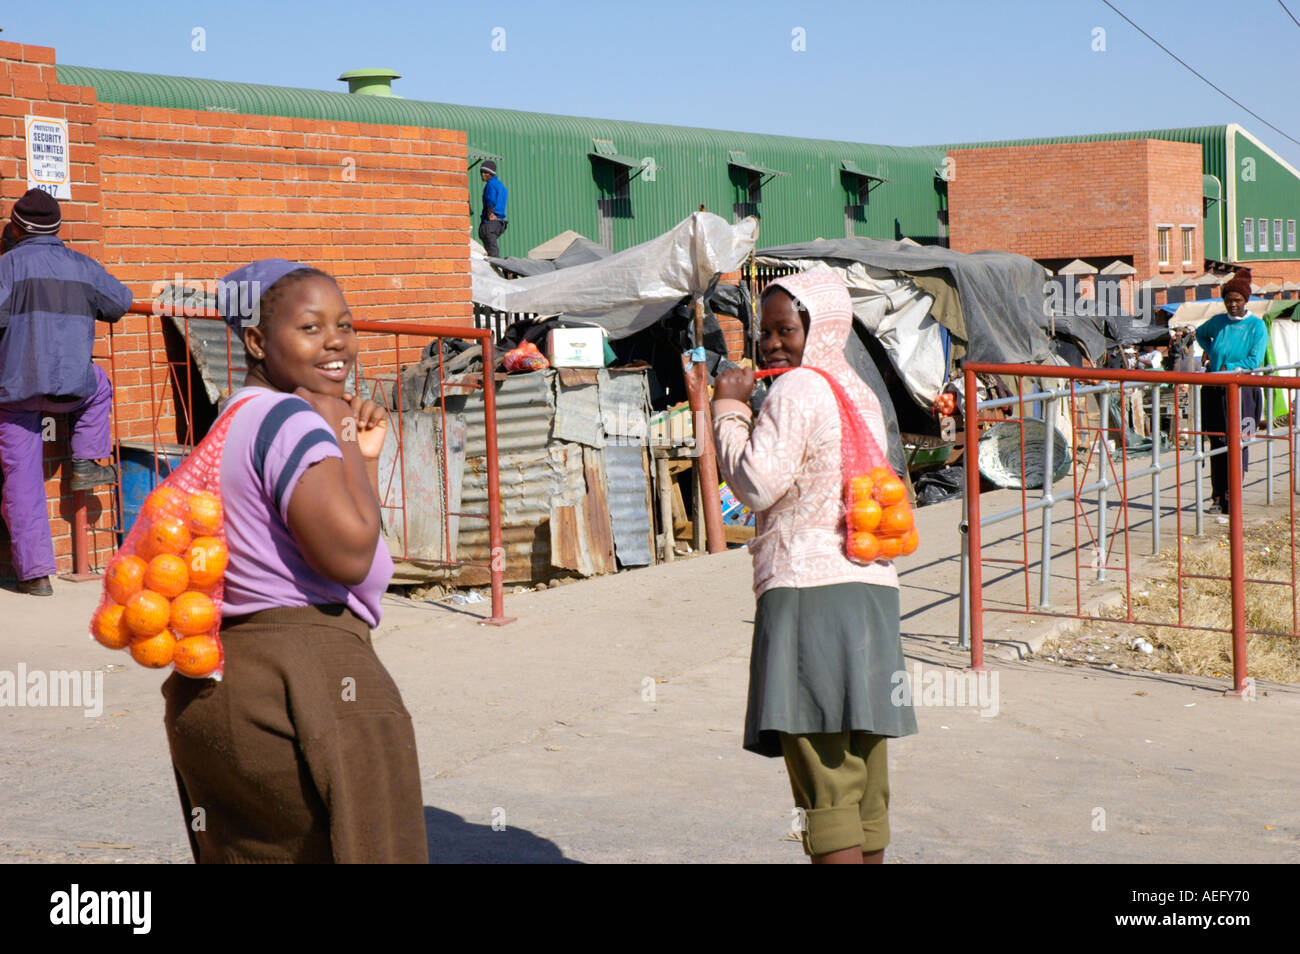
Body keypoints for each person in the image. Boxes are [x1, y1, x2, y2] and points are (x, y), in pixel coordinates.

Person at [161, 259, 426, 863]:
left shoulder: (229, 420)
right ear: (256, 341)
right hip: (312, 679)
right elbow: (350, 555)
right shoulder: (292, 419)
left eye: (345, 324)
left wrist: (355, 452)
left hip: (216, 689)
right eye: (310, 328)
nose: (336, 341)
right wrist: (350, 449)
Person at [711, 269, 917, 865]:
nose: (772, 343)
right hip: (870, 597)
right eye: (765, 332)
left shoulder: (799, 389)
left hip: (810, 596)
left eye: (786, 330)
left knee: (825, 786)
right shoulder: (857, 390)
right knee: (863, 780)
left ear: (820, 328)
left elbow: (754, 484)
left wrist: (727, 409)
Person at [0, 189, 128, 596]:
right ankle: (87, 458)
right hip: (73, 387)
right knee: (101, 383)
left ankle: (36, 576)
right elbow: (120, 302)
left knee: (21, 479)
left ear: (18, 228)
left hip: (14, 392)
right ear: (58, 228)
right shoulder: (84, 267)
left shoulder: (8, 266)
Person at [1196, 268, 1267, 515]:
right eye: (1228, 300)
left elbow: (1254, 359)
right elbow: (1200, 334)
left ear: (1246, 301)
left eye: (1237, 300)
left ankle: (1232, 496)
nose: (1232, 304)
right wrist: (1212, 353)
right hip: (1216, 388)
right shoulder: (1218, 322)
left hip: (1243, 390)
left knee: (1240, 440)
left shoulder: (1256, 327)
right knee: (1217, 440)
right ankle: (1217, 498)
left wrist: (1234, 367)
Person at [478, 160, 508, 258]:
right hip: (500, 222)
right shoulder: (501, 185)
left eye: (486, 172)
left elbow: (490, 200)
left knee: (492, 251)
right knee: (492, 247)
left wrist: (491, 213)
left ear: (491, 173)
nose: (483, 174)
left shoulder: (490, 185)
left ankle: (495, 266)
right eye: (481, 172)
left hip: (490, 221)